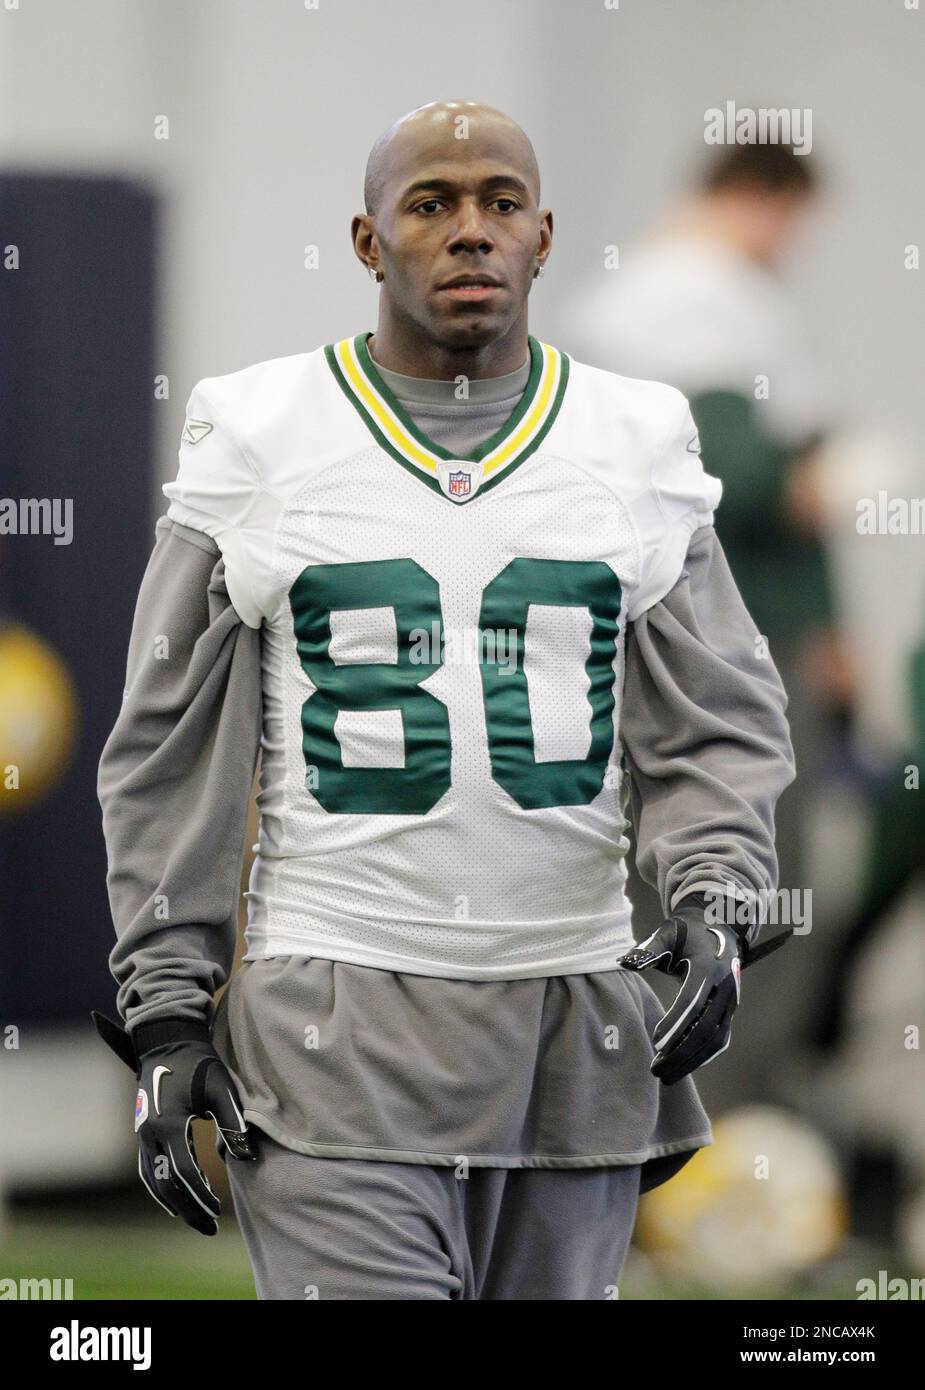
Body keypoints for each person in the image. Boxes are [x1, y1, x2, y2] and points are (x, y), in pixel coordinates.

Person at [94, 100, 795, 1301]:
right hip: (335, 1010)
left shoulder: (636, 439)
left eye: (498, 203)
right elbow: (167, 746)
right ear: (368, 242)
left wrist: (717, 900)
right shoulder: (260, 433)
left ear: (545, 235)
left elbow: (716, 718)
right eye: (431, 204)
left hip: (575, 1014)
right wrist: (165, 1008)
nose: (469, 231)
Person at [564, 142, 853, 1107]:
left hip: (616, 649)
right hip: (726, 648)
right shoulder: (705, 299)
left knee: (649, 887)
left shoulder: (619, 302)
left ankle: (637, 1137)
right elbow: (745, 480)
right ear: (761, 200)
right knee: (753, 890)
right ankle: (716, 1139)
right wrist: (827, 484)